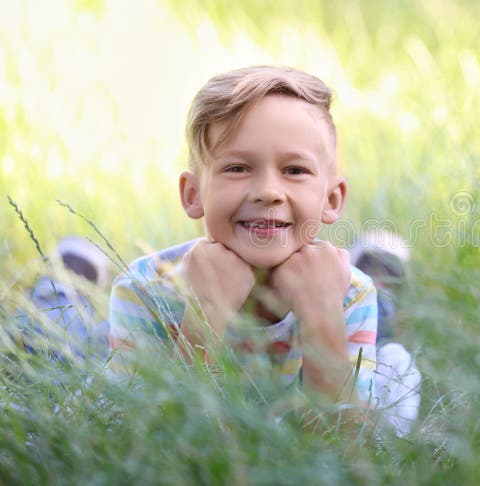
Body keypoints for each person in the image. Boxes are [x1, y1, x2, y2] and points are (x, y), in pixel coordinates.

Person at [108, 66, 377, 409]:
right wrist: (206, 311)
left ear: (332, 200)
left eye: (294, 171)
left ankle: (382, 270)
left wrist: (322, 313)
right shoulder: (144, 291)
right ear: (193, 194)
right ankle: (68, 274)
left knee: (395, 389)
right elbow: (151, 444)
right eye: (237, 168)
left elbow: (347, 449)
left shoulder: (349, 294)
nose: (267, 192)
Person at [351, 230, 421, 437]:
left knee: (400, 360)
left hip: (375, 365)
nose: (378, 279)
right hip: (344, 361)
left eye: (388, 274)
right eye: (371, 270)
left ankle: (388, 445)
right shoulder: (346, 292)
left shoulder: (389, 306)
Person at [18, 236, 110, 363]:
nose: (76, 273)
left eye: (85, 271)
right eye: (69, 264)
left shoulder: (34, 294)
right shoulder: (40, 294)